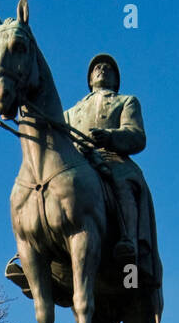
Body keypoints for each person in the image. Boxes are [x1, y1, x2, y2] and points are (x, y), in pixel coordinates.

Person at [65, 55, 158, 276]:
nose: (102, 69)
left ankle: (129, 242)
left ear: (116, 79)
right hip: (78, 161)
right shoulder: (70, 112)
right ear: (89, 79)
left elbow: (136, 136)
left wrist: (108, 136)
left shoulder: (126, 102)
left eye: (108, 67)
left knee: (123, 183)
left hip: (111, 157)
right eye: (97, 67)